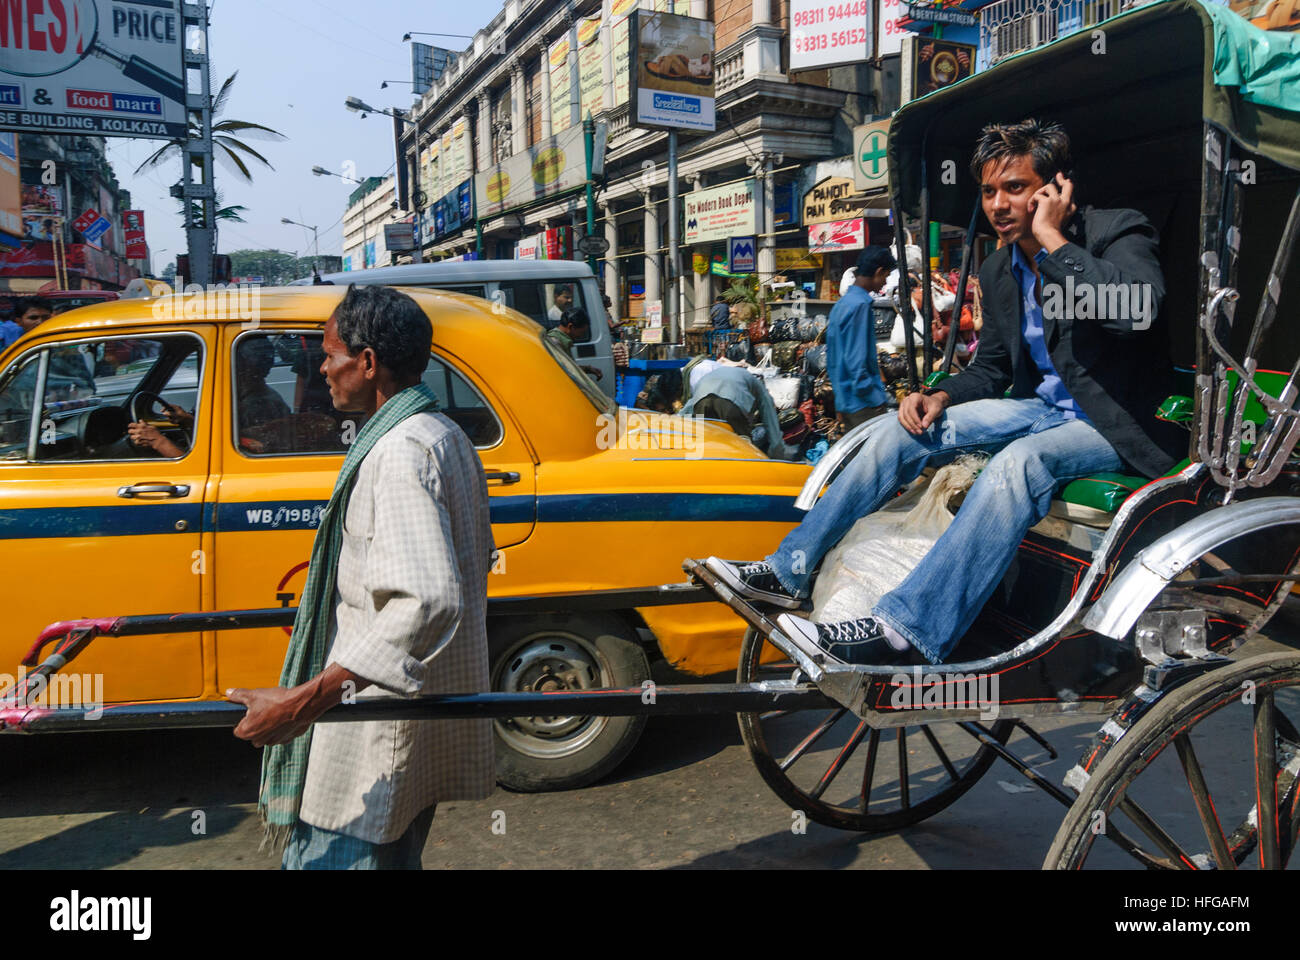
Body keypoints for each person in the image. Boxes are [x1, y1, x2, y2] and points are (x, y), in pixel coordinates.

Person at [704, 118, 1183, 667]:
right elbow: (994, 365)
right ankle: (790, 569)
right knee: (894, 430)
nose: (999, 204)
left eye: (1016, 187)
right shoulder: (1002, 268)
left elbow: (1137, 313)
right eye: (988, 191)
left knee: (1020, 465)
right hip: (1036, 408)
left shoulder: (1116, 230)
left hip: (1112, 420)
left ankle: (907, 630)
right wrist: (940, 396)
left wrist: (1052, 241)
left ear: (1055, 189)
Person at [227, 284, 494, 870]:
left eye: (329, 354)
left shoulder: (400, 452)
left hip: (374, 724)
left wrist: (304, 700)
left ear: (368, 362)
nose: (322, 369)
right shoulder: (441, 434)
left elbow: (426, 601)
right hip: (397, 714)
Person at [827, 247, 894, 430]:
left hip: (846, 401)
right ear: (878, 272)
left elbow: (832, 359)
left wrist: (839, 401)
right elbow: (857, 362)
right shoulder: (860, 305)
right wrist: (875, 399)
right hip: (863, 403)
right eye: (886, 277)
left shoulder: (841, 305)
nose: (885, 283)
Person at [546, 306, 603, 381]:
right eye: (581, 332)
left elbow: (569, 367)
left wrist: (588, 369)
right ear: (570, 326)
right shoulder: (555, 342)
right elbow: (564, 371)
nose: (581, 336)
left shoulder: (562, 340)